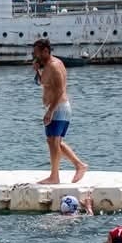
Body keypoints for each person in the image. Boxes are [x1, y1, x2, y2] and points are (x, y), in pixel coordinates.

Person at [32, 38, 87, 185]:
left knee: (54, 142)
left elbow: (59, 90)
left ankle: (54, 176)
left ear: (45, 51)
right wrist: (37, 69)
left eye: (37, 53)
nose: (35, 55)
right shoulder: (47, 65)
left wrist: (50, 111)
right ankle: (79, 165)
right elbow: (44, 83)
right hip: (57, 108)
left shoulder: (55, 66)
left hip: (58, 108)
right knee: (54, 141)